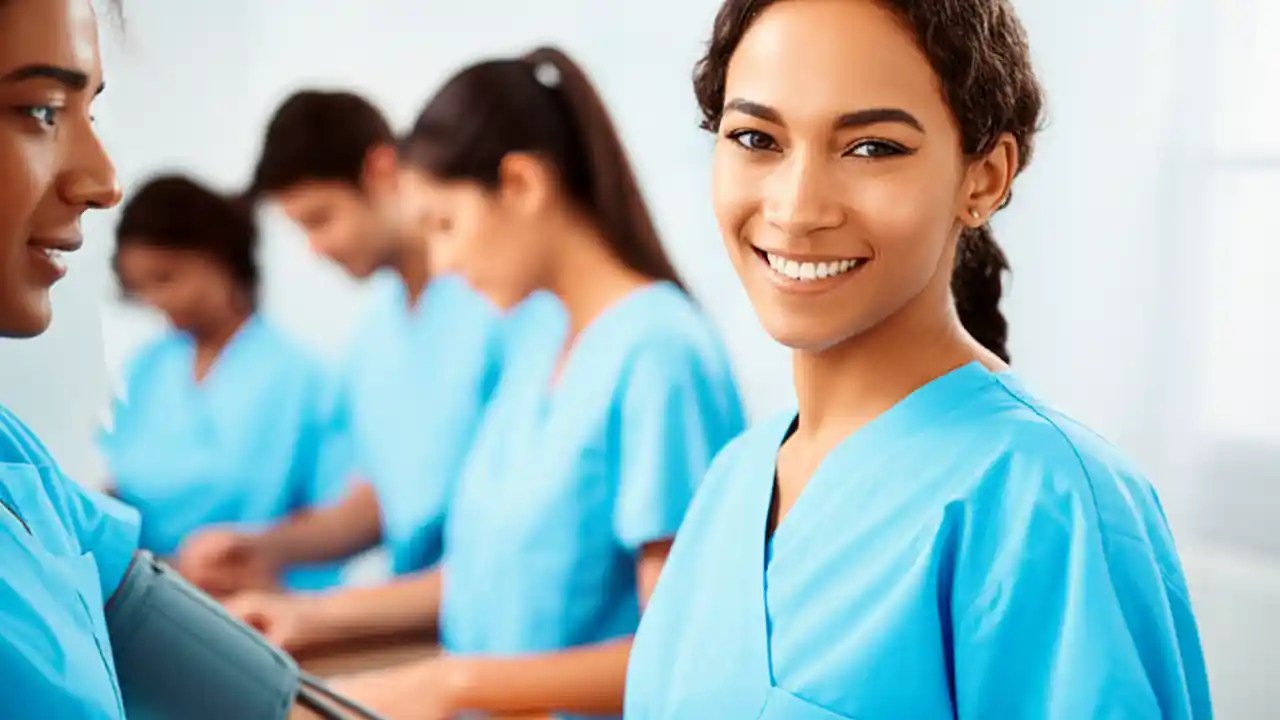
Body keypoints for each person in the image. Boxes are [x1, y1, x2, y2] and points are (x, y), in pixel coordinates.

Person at [625, 1, 1213, 719]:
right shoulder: (732, 481)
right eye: (756, 138)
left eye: (872, 147)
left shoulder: (1049, 499)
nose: (798, 207)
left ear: (985, 179)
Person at [228, 47, 746, 720]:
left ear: (523, 185)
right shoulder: (542, 348)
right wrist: (308, 619)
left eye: (444, 225)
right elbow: (490, 580)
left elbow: (683, 657)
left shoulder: (658, 354)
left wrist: (449, 686)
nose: (439, 262)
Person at [176, 90, 506, 595]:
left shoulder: (494, 303)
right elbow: (382, 503)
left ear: (380, 171)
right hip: (415, 607)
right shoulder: (374, 339)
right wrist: (264, 546)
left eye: (321, 219)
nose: (316, 248)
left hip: (483, 604)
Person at [101, 174, 349, 592]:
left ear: (219, 258)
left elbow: (341, 514)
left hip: (263, 602)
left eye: (166, 278)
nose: (156, 302)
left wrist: (253, 552)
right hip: (150, 596)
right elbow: (122, 486)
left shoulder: (300, 377)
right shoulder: (148, 369)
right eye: (140, 289)